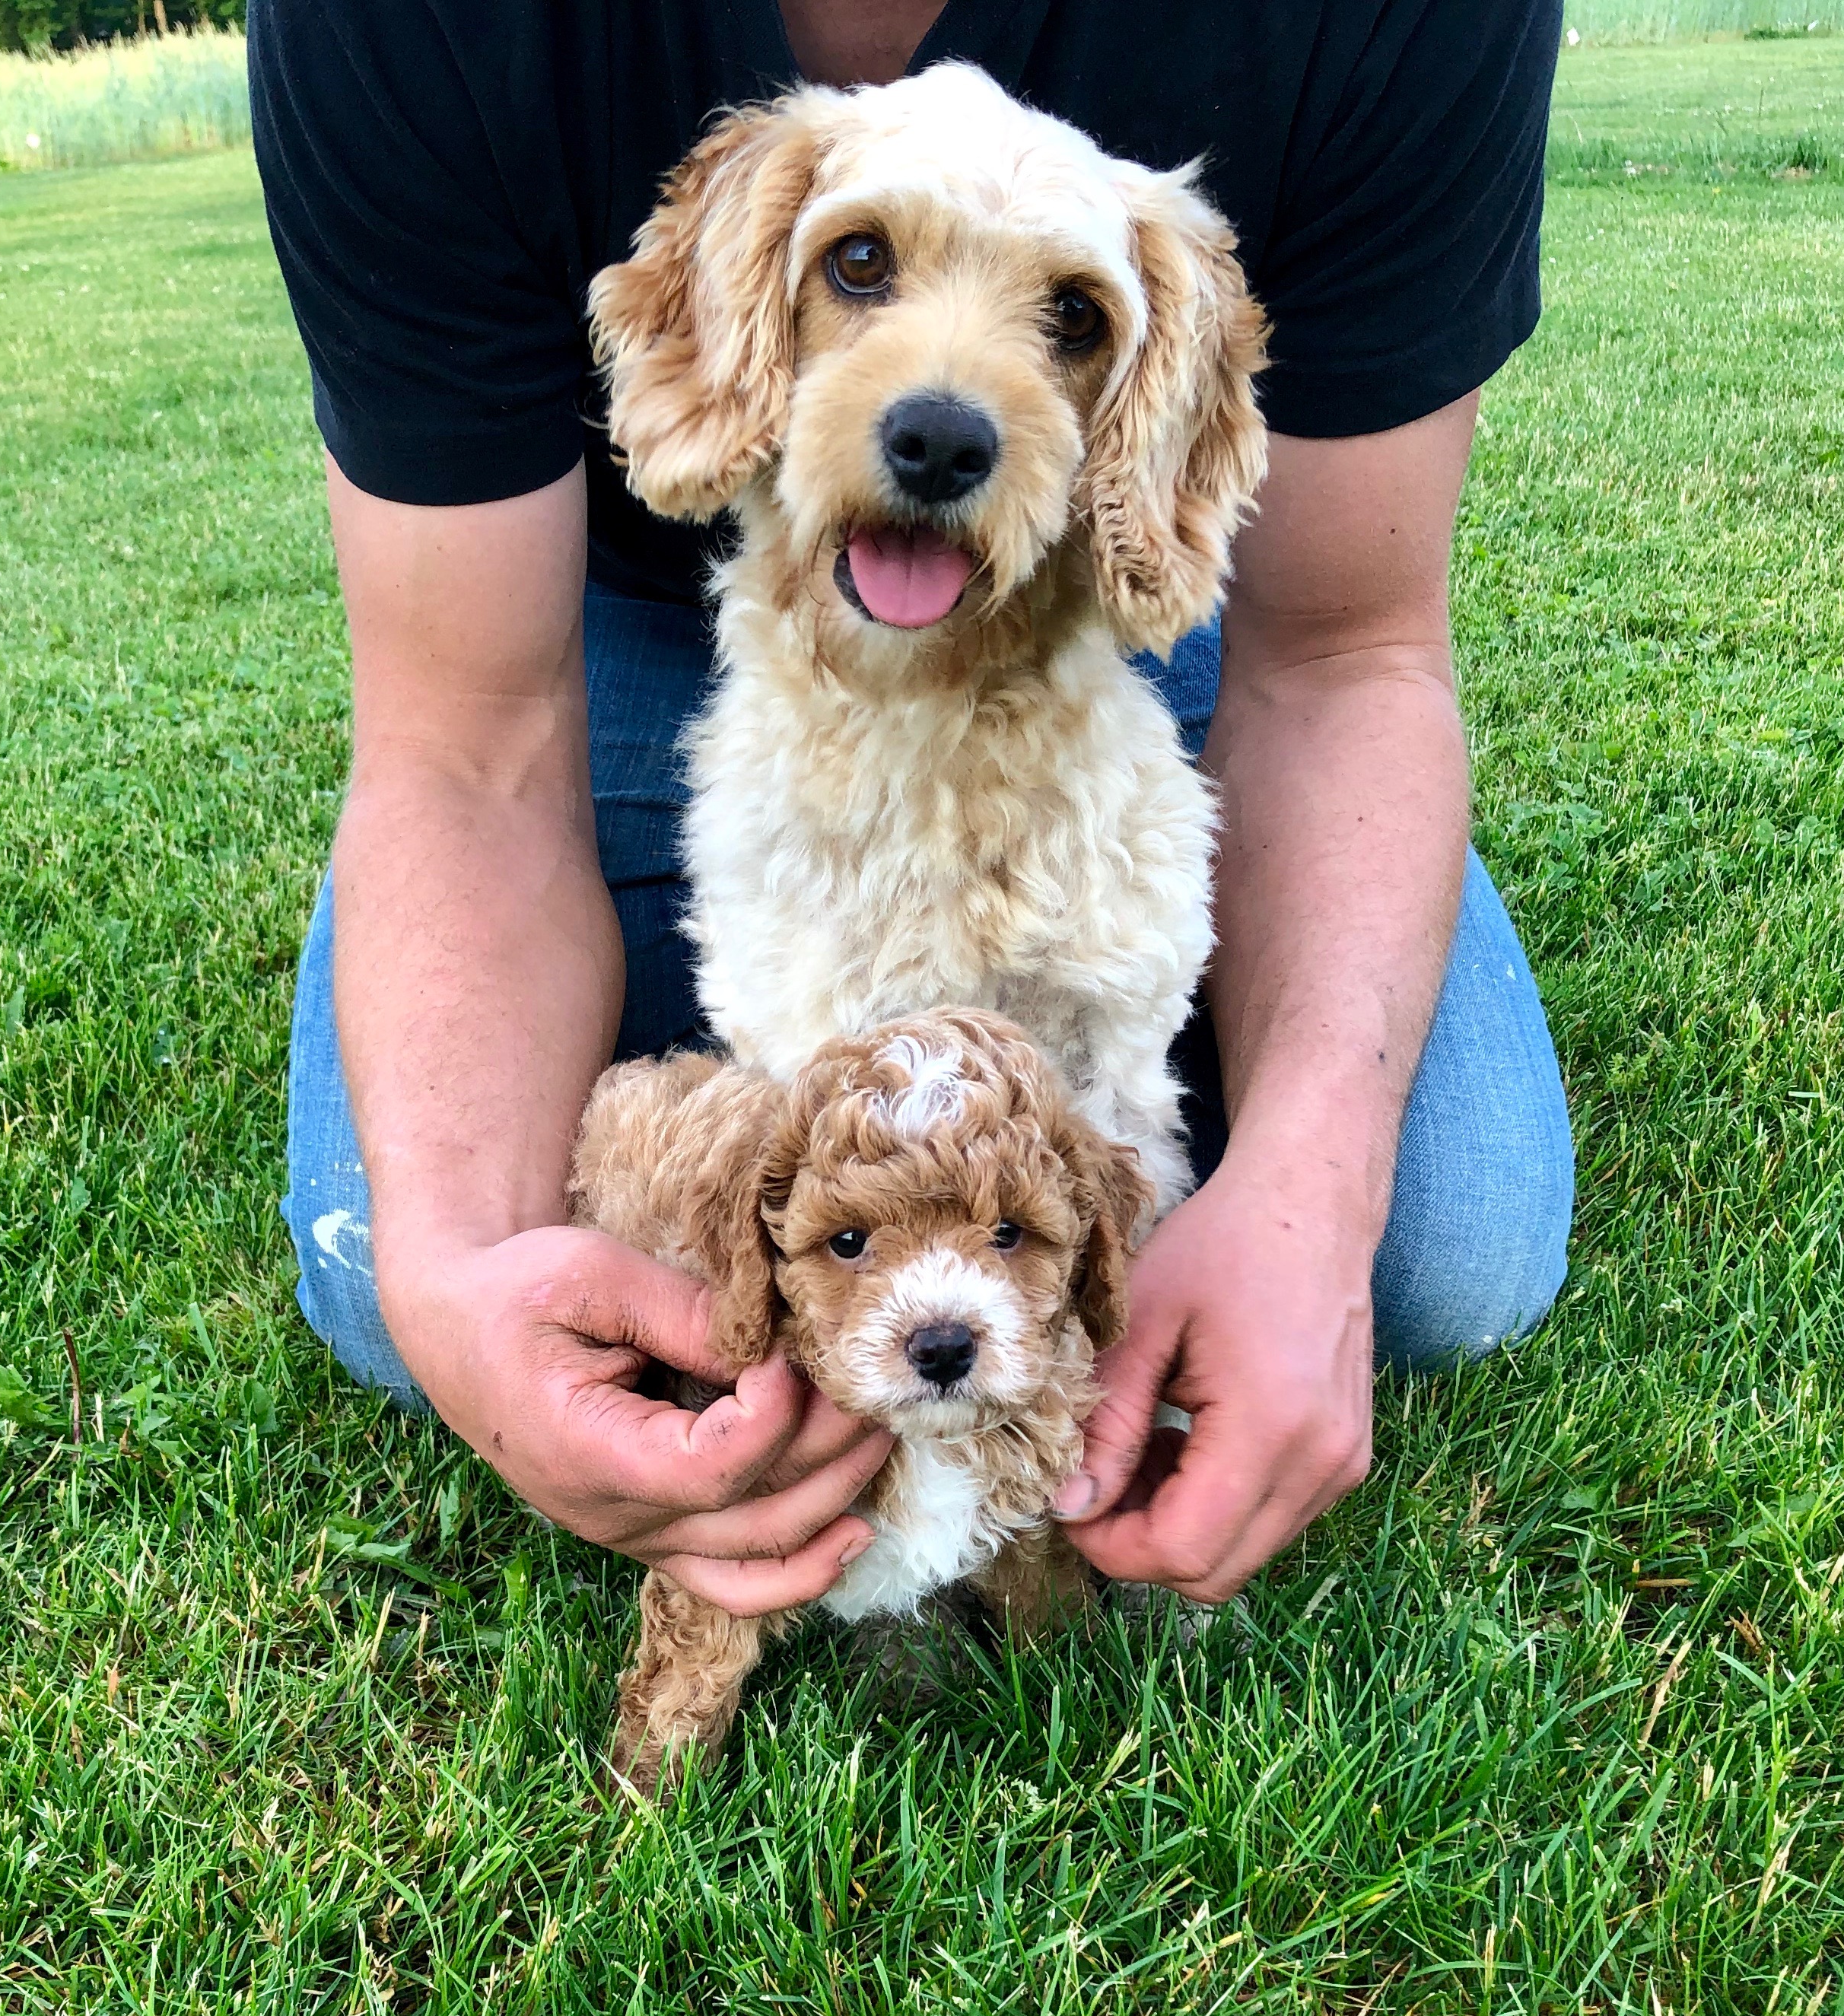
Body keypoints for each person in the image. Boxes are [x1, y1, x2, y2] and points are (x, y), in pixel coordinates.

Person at [252, 0, 1575, 1619]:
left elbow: (1347, 654)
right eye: (861, 268)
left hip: (1069, 604)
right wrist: (456, 1269)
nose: (943, 398)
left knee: (1452, 1250)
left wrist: (1316, 1170)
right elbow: (466, 740)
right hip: (624, 613)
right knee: (398, 1292)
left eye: (1068, 321)